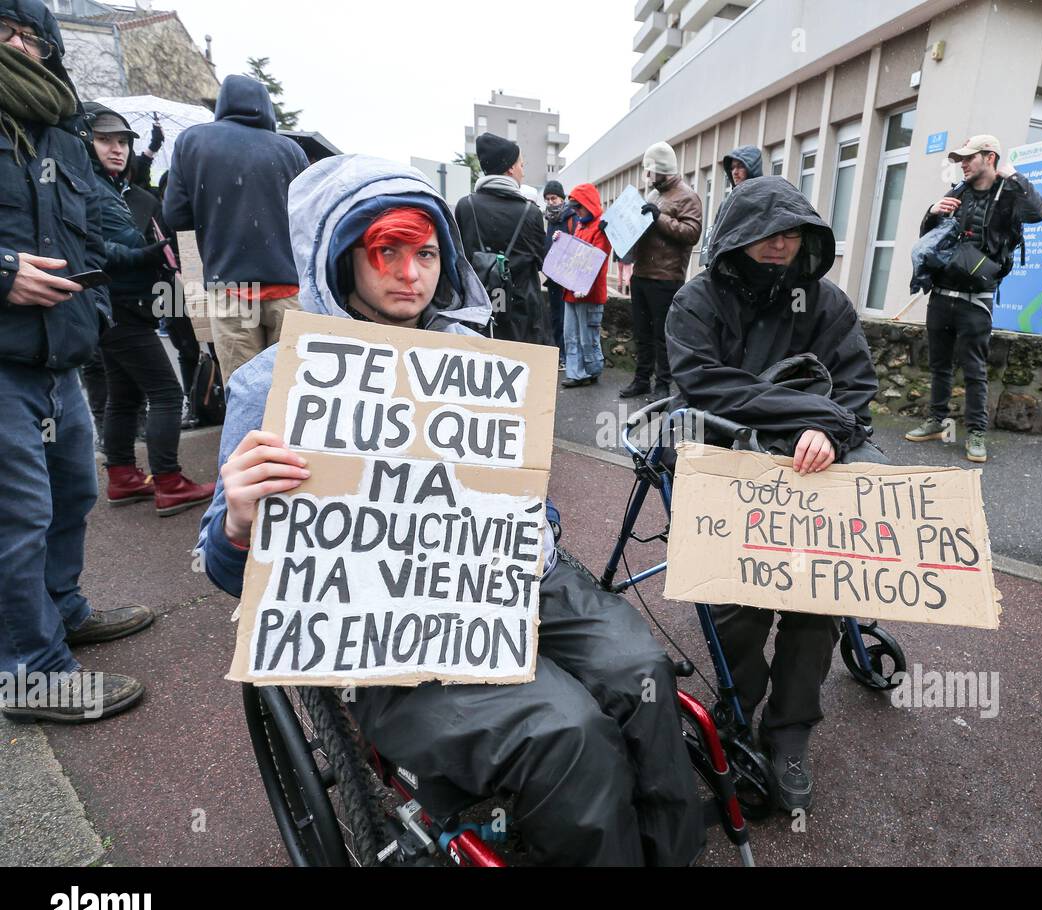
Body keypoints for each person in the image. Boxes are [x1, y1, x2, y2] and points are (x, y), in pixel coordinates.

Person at [196, 154, 705, 866]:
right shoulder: (275, 383)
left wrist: (536, 522)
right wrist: (238, 522)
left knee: (642, 674)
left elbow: (526, 494)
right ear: (343, 259)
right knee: (567, 733)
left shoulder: (477, 356)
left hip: (515, 581)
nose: (411, 274)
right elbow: (227, 569)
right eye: (388, 253)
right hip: (383, 624)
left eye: (427, 252)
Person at [666, 175, 882, 811]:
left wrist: (831, 436)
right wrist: (807, 418)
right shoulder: (696, 299)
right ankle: (737, 710)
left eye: (791, 234)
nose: (779, 244)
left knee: (817, 599)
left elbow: (855, 385)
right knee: (739, 603)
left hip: (813, 472)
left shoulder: (826, 302)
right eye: (765, 233)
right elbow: (705, 385)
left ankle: (789, 734)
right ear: (738, 234)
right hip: (725, 466)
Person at [0, 0, 154, 725]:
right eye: (7, 31)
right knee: (16, 518)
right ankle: (31, 675)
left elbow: (88, 226)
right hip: (4, 357)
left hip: (60, 353)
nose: (22, 45)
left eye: (31, 34)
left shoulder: (60, 125)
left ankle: (62, 613)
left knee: (71, 497)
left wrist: (88, 311)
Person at [82, 102, 215, 516]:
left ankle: (122, 476)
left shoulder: (119, 190)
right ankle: (170, 482)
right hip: (117, 303)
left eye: (122, 141)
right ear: (86, 142)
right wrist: (153, 252)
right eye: (106, 140)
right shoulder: (85, 188)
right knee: (166, 392)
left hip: (126, 304)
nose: (117, 149)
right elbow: (97, 250)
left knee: (124, 396)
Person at [906, 134, 1042, 463]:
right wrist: (931, 212)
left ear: (990, 158)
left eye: (969, 158)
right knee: (939, 365)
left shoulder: (1010, 195)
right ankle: (936, 420)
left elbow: (1039, 212)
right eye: (961, 160)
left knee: (974, 370)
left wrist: (1013, 176)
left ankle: (975, 433)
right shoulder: (956, 193)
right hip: (941, 295)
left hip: (977, 299)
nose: (963, 164)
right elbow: (929, 240)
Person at [163, 74, 309, 382]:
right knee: (289, 390)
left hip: (232, 290)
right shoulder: (291, 150)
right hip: (290, 291)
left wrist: (215, 212)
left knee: (244, 391)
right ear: (266, 107)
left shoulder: (193, 141)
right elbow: (307, 216)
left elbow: (175, 217)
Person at [620, 141, 702, 399]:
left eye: (650, 171)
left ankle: (663, 385)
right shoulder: (654, 195)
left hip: (666, 279)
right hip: (642, 274)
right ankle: (642, 379)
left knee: (662, 336)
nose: (648, 177)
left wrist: (659, 217)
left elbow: (692, 233)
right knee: (642, 333)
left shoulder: (687, 196)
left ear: (662, 169)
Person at [454, 132, 549, 346]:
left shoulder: (465, 206)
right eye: (521, 166)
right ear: (510, 168)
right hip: (521, 317)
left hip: (478, 314)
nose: (523, 173)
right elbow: (543, 261)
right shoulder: (530, 212)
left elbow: (457, 258)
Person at [557, 183, 610, 388]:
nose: (577, 212)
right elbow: (576, 253)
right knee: (571, 334)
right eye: (575, 208)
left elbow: (597, 261)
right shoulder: (582, 224)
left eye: (579, 207)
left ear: (588, 204)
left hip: (588, 292)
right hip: (573, 290)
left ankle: (590, 370)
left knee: (587, 336)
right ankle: (577, 373)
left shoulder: (601, 226)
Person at [542, 180, 568, 361]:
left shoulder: (570, 216)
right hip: (552, 276)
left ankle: (565, 354)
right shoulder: (549, 219)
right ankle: (557, 352)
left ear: (562, 198)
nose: (551, 202)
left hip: (566, 277)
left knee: (565, 319)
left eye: (554, 198)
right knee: (555, 317)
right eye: (548, 199)